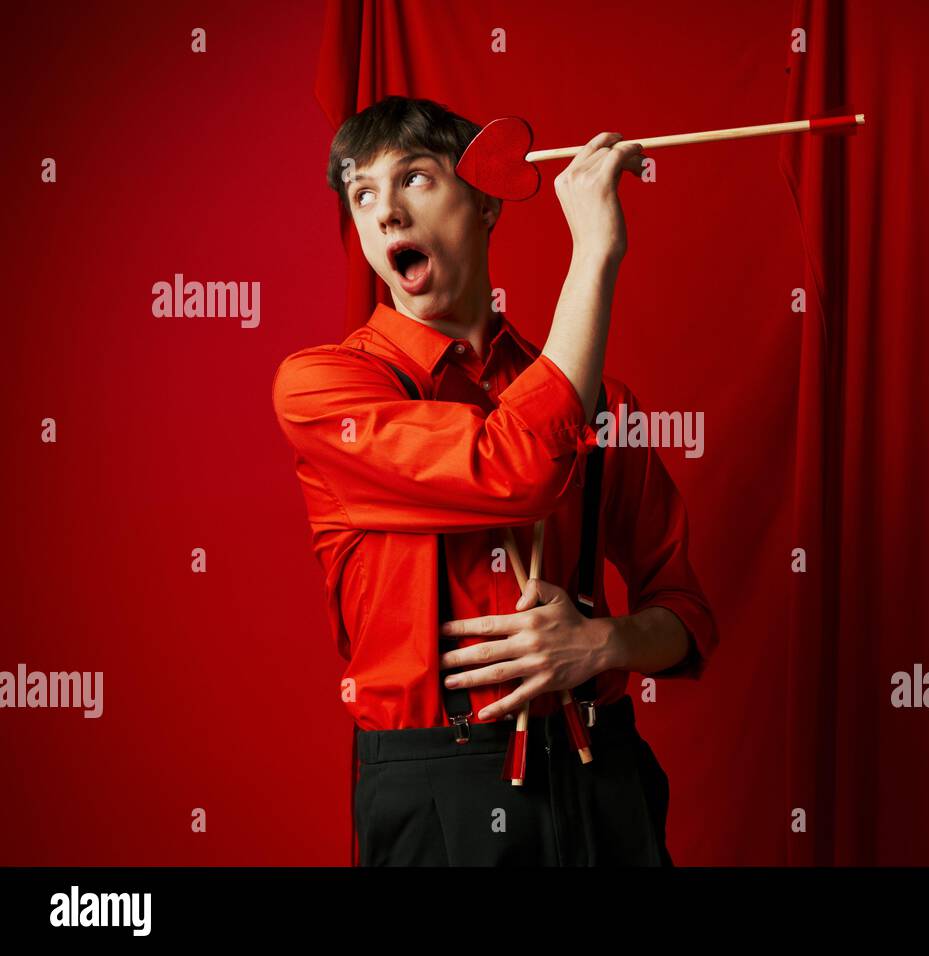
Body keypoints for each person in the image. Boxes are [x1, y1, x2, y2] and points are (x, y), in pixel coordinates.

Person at [270, 95, 719, 866]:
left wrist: (604, 643)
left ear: (485, 202)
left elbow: (687, 616)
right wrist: (595, 253)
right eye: (362, 193)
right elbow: (516, 469)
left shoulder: (604, 406)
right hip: (436, 787)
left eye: (414, 179)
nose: (384, 213)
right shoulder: (322, 389)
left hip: (605, 772)